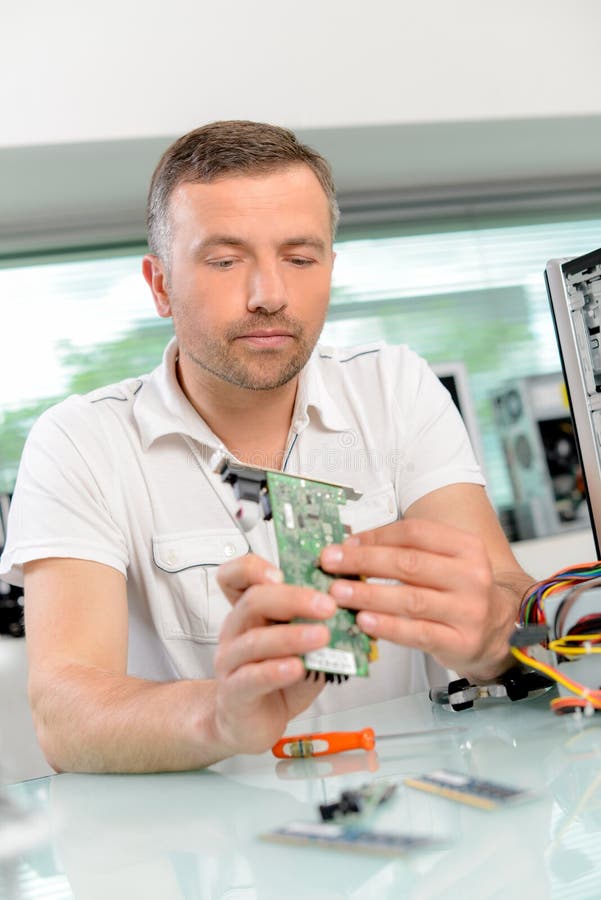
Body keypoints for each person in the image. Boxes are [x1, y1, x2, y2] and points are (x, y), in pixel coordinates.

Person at [0, 121, 533, 773]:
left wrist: (495, 639)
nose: (269, 296)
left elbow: (509, 594)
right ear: (160, 284)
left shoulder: (395, 386)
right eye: (225, 261)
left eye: (300, 258)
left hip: (415, 826)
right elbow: (65, 713)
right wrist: (219, 716)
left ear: (330, 269)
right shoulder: (78, 441)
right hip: (214, 843)